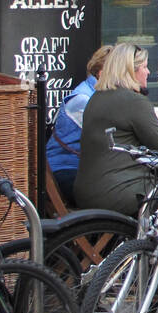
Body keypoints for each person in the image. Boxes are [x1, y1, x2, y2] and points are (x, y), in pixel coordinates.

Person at [75, 43, 158, 217]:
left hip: (89, 191)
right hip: (119, 192)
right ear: (131, 71)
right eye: (144, 67)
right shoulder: (133, 101)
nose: (148, 72)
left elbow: (130, 135)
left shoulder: (97, 97)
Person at [45, 44, 113, 206]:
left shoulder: (97, 96)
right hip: (65, 171)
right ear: (102, 73)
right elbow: (107, 138)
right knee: (122, 195)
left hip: (79, 170)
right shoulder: (82, 100)